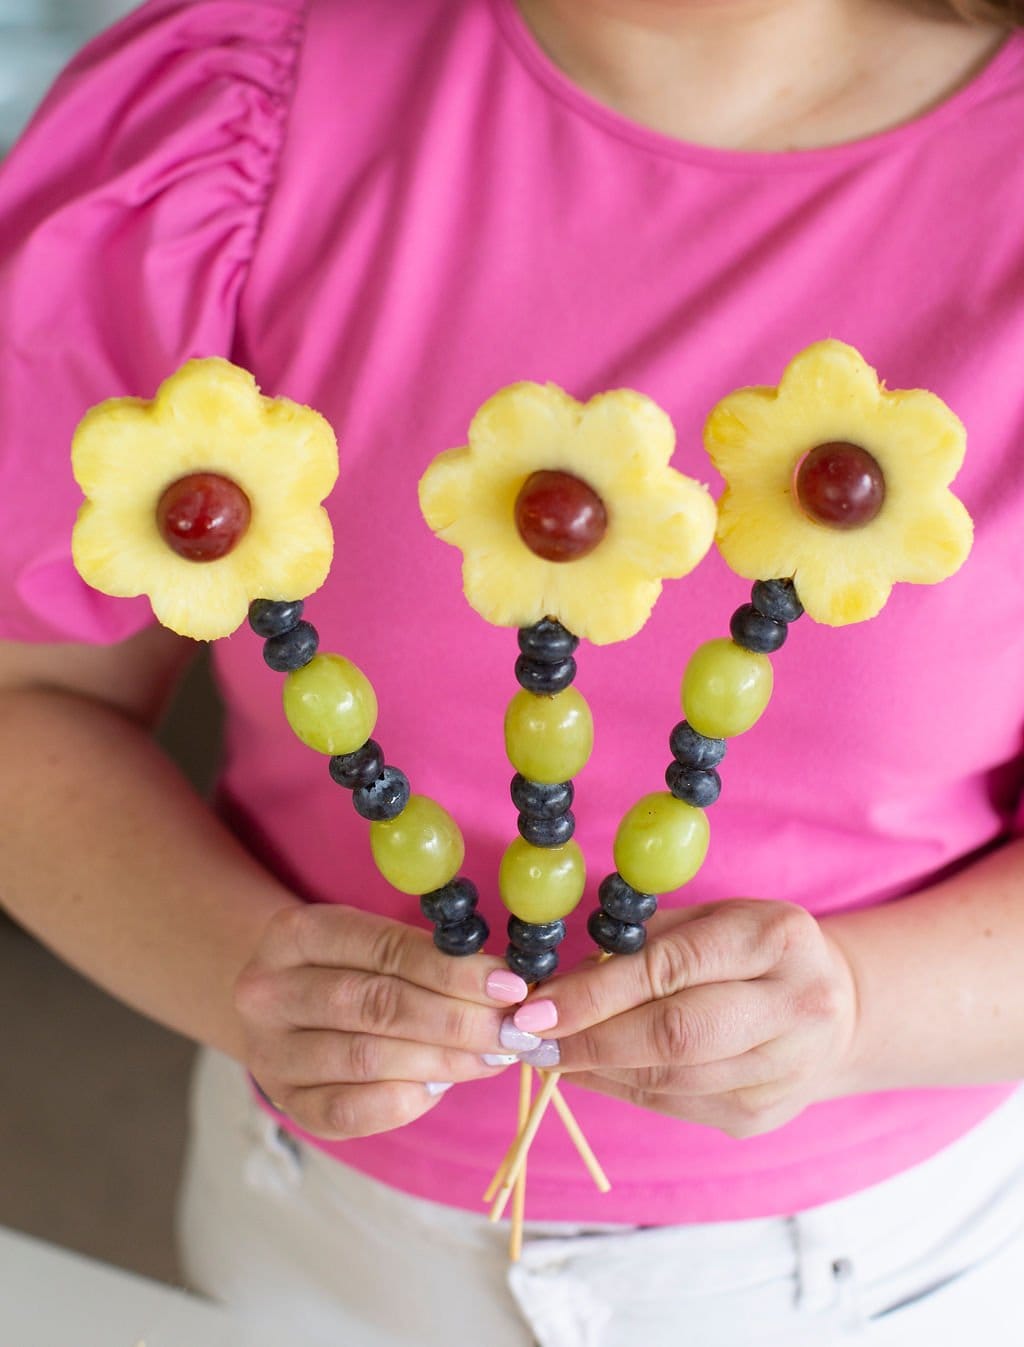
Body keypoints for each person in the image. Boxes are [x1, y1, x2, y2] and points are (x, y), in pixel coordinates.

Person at [1, 0, 1023, 1342]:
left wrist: (860, 1015)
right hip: (311, 1238)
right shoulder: (222, 103)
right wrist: (242, 971)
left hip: (889, 1278)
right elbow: (34, 703)